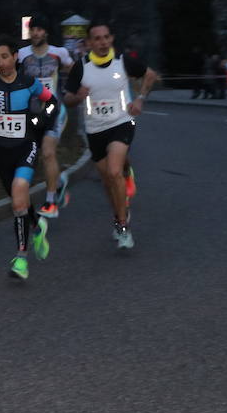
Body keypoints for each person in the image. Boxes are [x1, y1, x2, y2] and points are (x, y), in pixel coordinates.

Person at [0, 37, 59, 279]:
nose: (1, 62)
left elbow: (52, 104)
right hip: (1, 152)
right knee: (19, 202)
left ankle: (21, 259)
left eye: (5, 56)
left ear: (15, 56)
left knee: (19, 194)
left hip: (27, 146)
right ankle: (37, 226)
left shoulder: (29, 83)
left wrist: (39, 122)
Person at [62, 22, 158, 249]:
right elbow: (67, 99)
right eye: (97, 39)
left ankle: (122, 225)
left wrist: (140, 99)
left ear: (112, 39)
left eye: (106, 37)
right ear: (88, 43)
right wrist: (78, 96)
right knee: (107, 181)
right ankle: (119, 212)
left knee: (114, 172)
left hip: (121, 122)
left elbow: (150, 75)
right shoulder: (81, 67)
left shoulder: (123, 61)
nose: (103, 42)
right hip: (95, 129)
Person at [16, 16, 73, 218]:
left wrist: (70, 92)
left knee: (48, 153)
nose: (36, 33)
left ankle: (51, 203)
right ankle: (59, 181)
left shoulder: (59, 53)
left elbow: (74, 70)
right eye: (33, 29)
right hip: (32, 114)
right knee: (38, 156)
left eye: (40, 29)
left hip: (54, 112)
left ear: (46, 32)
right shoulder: (22, 55)